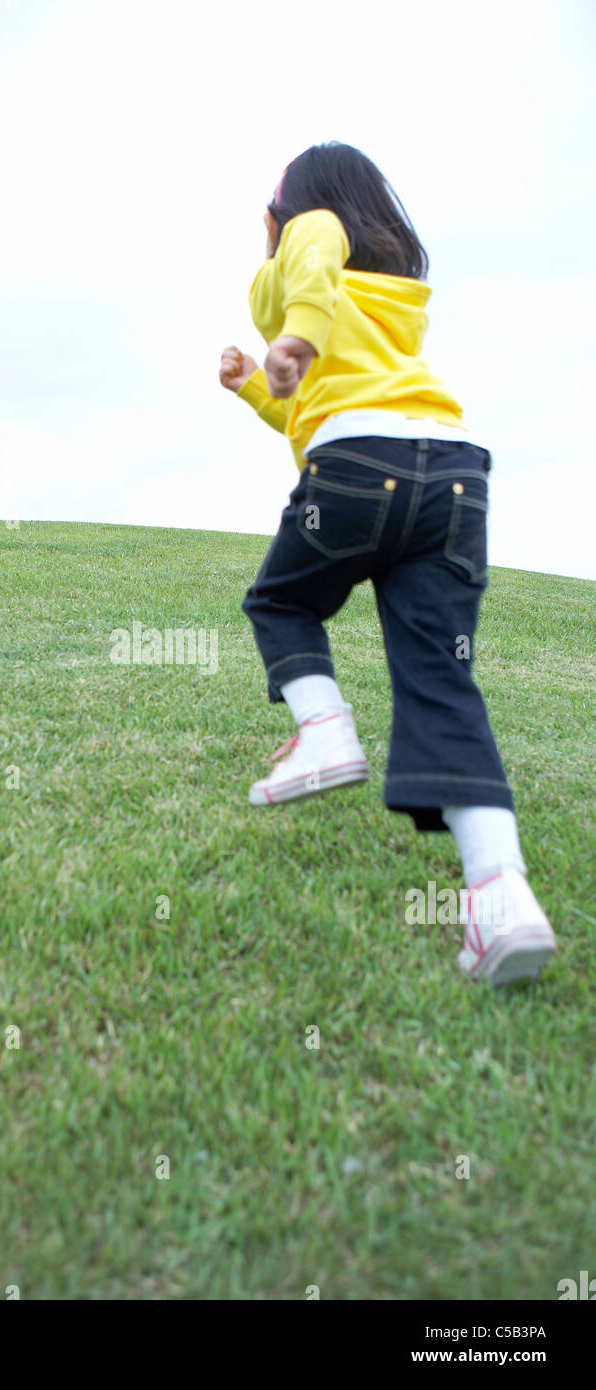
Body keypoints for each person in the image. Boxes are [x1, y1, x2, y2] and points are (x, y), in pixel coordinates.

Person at [219, 141, 556, 987]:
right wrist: (262, 388)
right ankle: (501, 900)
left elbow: (310, 262)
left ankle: (326, 732)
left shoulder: (309, 236)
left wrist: (291, 332)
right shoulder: (390, 297)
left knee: (282, 606)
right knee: (444, 682)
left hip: (360, 472)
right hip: (450, 479)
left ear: (293, 208)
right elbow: (314, 417)